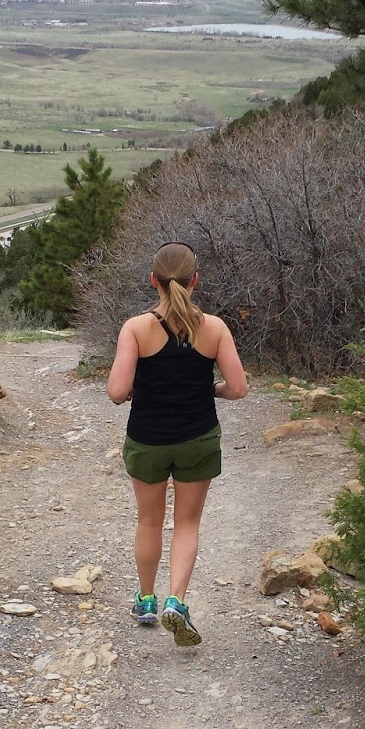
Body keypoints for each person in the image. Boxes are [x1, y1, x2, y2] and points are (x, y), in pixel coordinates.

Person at [106, 242, 248, 646]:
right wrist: (210, 391)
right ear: (195, 280)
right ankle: (177, 602)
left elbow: (117, 392)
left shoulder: (135, 328)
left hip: (147, 439)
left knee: (149, 521)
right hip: (197, 439)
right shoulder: (216, 328)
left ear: (154, 280)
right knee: (187, 523)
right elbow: (238, 388)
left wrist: (139, 389)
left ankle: (147, 601)